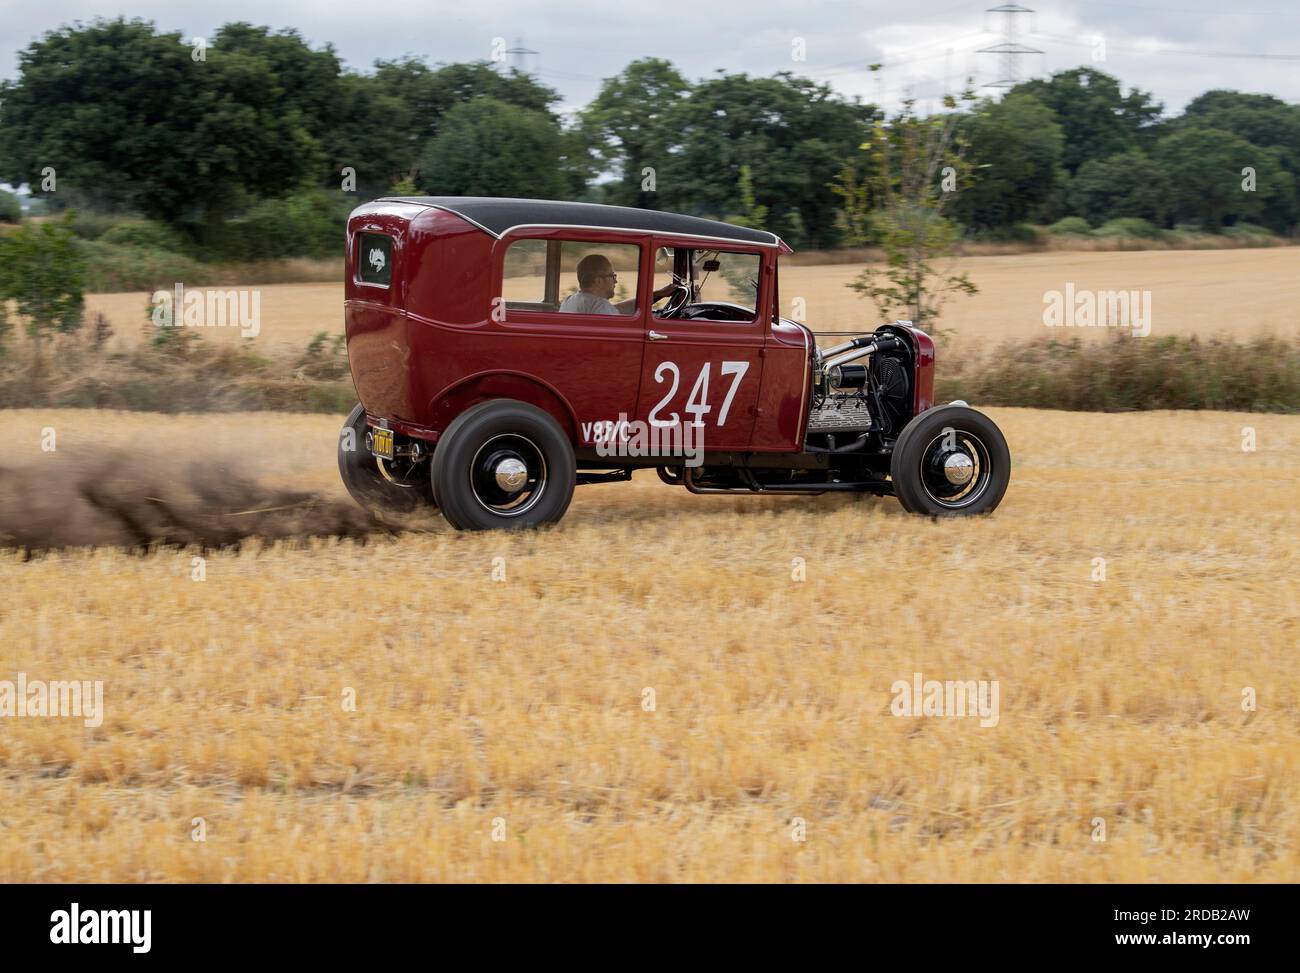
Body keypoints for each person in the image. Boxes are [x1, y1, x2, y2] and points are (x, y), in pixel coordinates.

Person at [559, 254, 676, 314]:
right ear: (598, 281)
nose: (616, 281)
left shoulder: (570, 300)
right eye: (612, 276)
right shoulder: (599, 305)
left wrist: (657, 294)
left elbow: (617, 309)